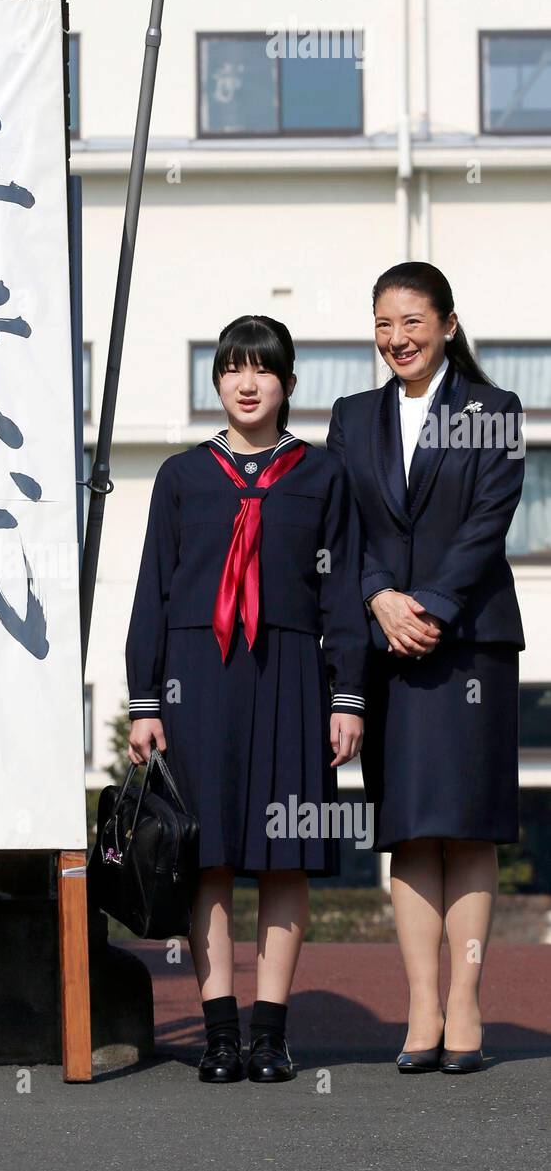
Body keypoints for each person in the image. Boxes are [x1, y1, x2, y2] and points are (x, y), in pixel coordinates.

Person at [126, 315, 367, 1084]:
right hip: (194, 677)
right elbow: (150, 594)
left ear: (288, 384)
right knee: (210, 860)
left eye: (262, 369)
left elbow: (343, 596)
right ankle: (219, 1034)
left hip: (293, 671)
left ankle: (272, 1035)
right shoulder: (182, 476)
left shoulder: (323, 475)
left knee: (284, 858)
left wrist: (348, 697)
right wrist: (144, 701)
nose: (247, 381)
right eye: (232, 368)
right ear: (218, 383)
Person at [327, 262, 525, 1075]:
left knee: (469, 825)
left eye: (411, 321)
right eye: (382, 323)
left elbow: (490, 519)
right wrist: (380, 599)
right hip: (389, 648)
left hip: (468, 641)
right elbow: (340, 528)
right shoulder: (350, 417)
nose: (396, 338)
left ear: (446, 323)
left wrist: (432, 604)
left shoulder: (493, 412)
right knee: (407, 830)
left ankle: (467, 1004)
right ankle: (420, 1007)